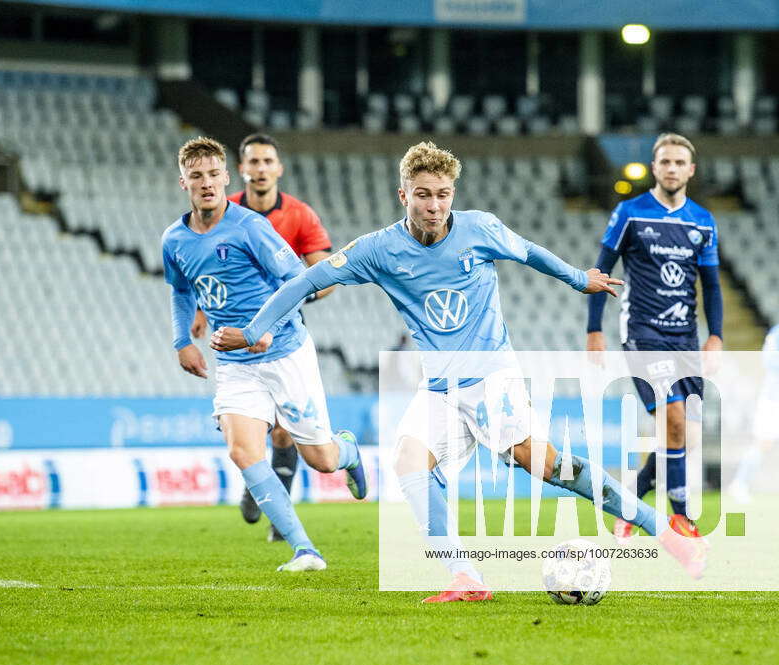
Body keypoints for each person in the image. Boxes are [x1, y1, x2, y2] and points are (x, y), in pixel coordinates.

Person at [212, 141, 706, 601]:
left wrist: (579, 279)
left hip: (494, 378)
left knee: (547, 464)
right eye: (423, 195)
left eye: (443, 195)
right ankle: (466, 575)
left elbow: (529, 251)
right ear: (403, 194)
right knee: (408, 462)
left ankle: (666, 534)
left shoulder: (480, 228)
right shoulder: (378, 250)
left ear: (454, 194)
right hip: (440, 387)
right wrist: (257, 329)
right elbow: (308, 280)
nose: (434, 206)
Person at [161, 137, 367, 572]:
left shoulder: (250, 226)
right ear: (183, 182)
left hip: (285, 353)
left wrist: (264, 329)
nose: (206, 183)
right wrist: (183, 340)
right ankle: (304, 549)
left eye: (214, 174)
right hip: (235, 362)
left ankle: (349, 452)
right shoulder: (174, 240)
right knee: (242, 451)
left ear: (226, 178)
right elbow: (181, 290)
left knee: (322, 459)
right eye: (196, 176)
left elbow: (298, 279)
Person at [189, 133, 335, 541]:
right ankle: (266, 493)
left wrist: (304, 288)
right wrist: (200, 311)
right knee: (254, 432)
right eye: (253, 162)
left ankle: (273, 506)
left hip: (285, 328)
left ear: (278, 169)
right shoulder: (222, 209)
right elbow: (203, 267)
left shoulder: (300, 215)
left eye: (267, 161)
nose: (260, 169)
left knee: (286, 431)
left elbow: (323, 273)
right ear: (242, 169)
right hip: (236, 331)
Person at [585, 133, 722, 542]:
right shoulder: (630, 212)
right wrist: (594, 330)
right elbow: (601, 271)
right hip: (643, 334)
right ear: (655, 167)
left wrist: (715, 335)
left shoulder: (703, 221)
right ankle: (682, 521)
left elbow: (712, 286)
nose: (673, 169)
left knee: (683, 436)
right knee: (675, 422)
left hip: (686, 339)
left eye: (680, 163)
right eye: (665, 162)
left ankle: (629, 502)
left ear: (690, 170)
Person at [726, 325, 779, 503]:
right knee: (763, 442)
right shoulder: (777, 333)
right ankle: (739, 483)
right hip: (773, 397)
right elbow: (770, 360)